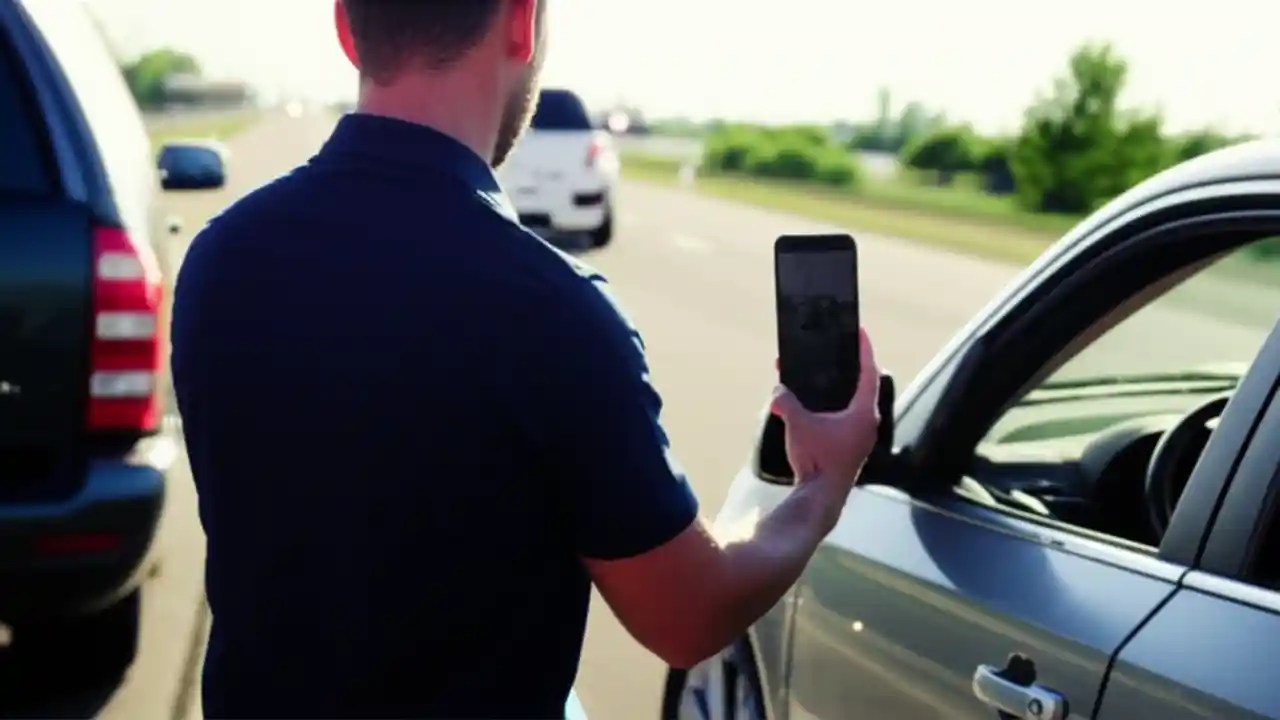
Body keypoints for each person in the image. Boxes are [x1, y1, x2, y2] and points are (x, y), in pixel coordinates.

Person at [169, 1, 882, 717]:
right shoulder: (552, 310)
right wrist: (820, 486)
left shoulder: (220, 258)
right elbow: (688, 616)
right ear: (521, 21)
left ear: (346, 28)